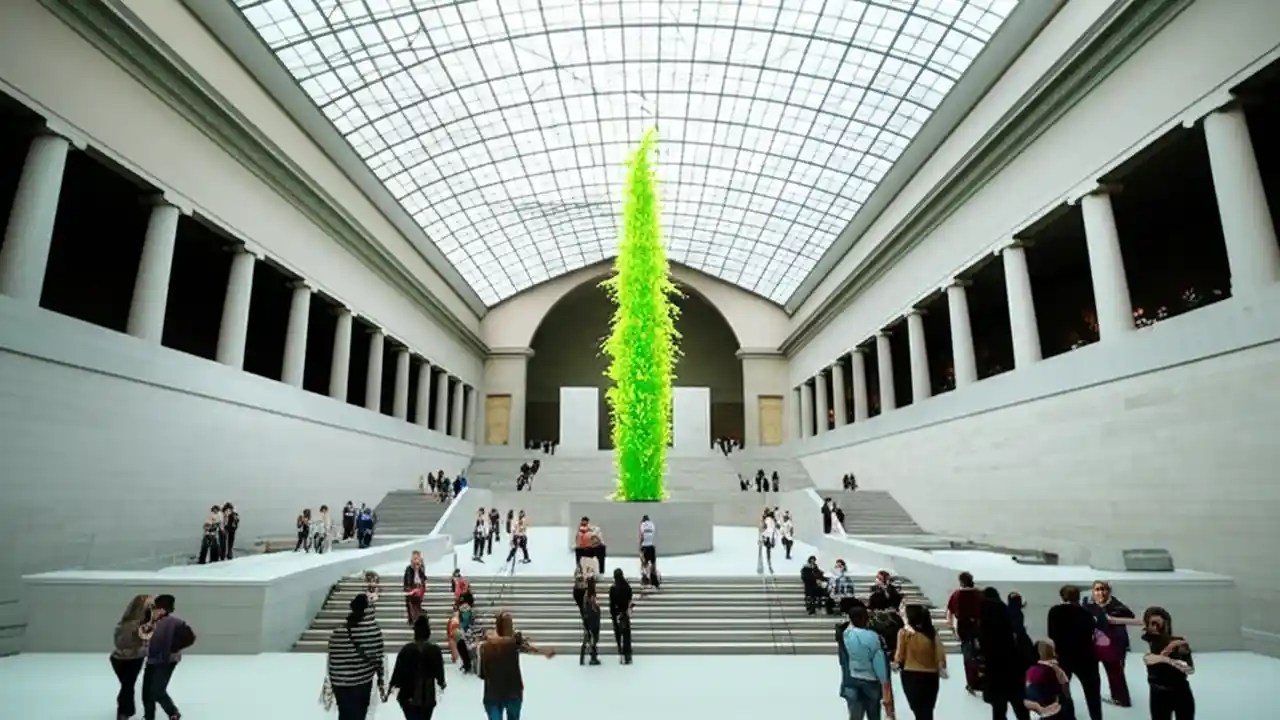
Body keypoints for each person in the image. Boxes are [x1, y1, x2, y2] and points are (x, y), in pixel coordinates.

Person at [478, 611, 555, 720]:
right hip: (512, 691)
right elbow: (529, 648)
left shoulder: (486, 645)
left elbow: (482, 674)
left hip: (494, 692)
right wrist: (543, 651)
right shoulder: (514, 642)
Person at [1047, 585, 1103, 720]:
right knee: (1092, 692)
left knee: (1063, 689)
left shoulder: (1055, 612)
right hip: (1086, 657)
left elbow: (1051, 633)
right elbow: (1092, 633)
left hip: (1064, 656)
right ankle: (1096, 717)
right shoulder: (1086, 614)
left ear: (1062, 596)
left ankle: (1069, 716)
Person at [326, 593, 385, 720]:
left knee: (344, 712)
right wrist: (381, 677)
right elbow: (377, 657)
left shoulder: (338, 631)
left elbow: (332, 655)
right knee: (359, 712)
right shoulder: (372, 631)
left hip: (339, 681)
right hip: (361, 680)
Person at [1083, 581, 1140, 707]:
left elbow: (1129, 616)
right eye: (1097, 589)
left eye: (1103, 589)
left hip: (1115, 646)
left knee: (1116, 674)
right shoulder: (1089, 605)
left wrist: (1111, 617)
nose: (1100, 592)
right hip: (1096, 645)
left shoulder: (1115, 605)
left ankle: (1122, 699)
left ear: (1109, 591)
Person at [979, 588, 1031, 720]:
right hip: (1013, 668)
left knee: (999, 709)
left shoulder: (983, 619)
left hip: (994, 670)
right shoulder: (1007, 615)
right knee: (1020, 706)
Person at [143, 594, 193, 720]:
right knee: (147, 691)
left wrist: (173, 647)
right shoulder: (150, 622)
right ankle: (149, 716)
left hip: (167, 661)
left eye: (158, 608)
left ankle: (173, 713)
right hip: (152, 660)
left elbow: (190, 638)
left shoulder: (175, 623)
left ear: (165, 609)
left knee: (157, 690)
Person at [387, 615, 446, 720]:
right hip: (427, 696)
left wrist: (392, 685)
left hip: (408, 695)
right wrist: (441, 683)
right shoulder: (435, 650)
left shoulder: (406, 649)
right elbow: (439, 673)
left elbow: (398, 670)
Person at [893, 604, 946, 720]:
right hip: (931, 675)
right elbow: (939, 653)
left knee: (917, 709)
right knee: (928, 709)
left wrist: (896, 663)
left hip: (911, 674)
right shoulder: (932, 633)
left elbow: (900, 655)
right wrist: (941, 666)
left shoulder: (903, 633)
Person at [841, 605, 894, 720]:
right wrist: (884, 681)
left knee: (855, 714)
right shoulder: (872, 637)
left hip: (851, 678)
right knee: (873, 713)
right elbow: (878, 662)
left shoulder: (846, 635)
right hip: (870, 679)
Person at [1142, 607, 1195, 720]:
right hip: (1158, 693)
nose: (1155, 627)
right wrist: (1166, 657)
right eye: (1152, 623)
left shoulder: (1178, 643)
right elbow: (1148, 659)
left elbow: (1190, 669)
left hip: (1181, 691)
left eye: (1158, 623)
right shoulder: (1148, 641)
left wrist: (1172, 652)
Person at [112, 594, 153, 720]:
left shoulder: (135, 623)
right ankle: (125, 712)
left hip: (128, 658)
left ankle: (125, 712)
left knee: (127, 685)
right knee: (127, 685)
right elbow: (121, 642)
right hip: (124, 659)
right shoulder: (132, 624)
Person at [945, 571, 984, 694]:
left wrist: (951, 626)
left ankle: (970, 682)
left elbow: (949, 612)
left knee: (967, 655)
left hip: (963, 627)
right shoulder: (979, 594)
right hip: (978, 626)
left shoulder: (956, 595)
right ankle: (980, 679)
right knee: (980, 654)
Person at [1025, 640, 1075, 720]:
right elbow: (1066, 691)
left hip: (1040, 709)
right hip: (1056, 707)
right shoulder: (1056, 669)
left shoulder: (1030, 671)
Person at [609, 568, 634, 664]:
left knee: (618, 633)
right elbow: (630, 598)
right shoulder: (627, 586)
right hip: (624, 613)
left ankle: (620, 650)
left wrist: (612, 614)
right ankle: (627, 654)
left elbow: (611, 603)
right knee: (626, 634)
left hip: (616, 613)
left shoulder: (613, 588)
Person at [579, 575, 602, 666]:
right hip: (593, 620)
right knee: (594, 639)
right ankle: (593, 657)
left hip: (587, 619)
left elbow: (584, 607)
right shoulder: (592, 596)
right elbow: (595, 609)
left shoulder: (585, 596)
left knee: (587, 637)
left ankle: (582, 657)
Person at [402, 550, 427, 625]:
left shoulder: (421, 568)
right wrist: (409, 589)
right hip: (411, 589)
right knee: (411, 605)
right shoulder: (409, 569)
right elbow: (407, 581)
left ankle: (416, 620)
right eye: (414, 558)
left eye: (417, 558)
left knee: (417, 605)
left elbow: (423, 578)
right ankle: (413, 620)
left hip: (419, 590)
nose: (416, 560)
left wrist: (419, 568)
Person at [638, 514, 658, 587]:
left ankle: (646, 576)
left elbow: (641, 536)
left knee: (644, 563)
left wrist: (639, 545)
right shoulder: (652, 524)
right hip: (651, 545)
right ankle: (652, 575)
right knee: (652, 562)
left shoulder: (642, 525)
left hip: (645, 546)